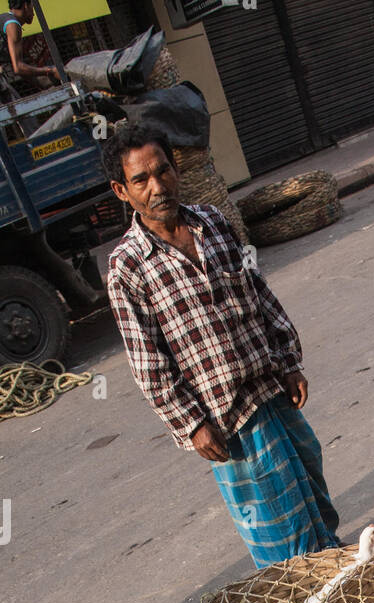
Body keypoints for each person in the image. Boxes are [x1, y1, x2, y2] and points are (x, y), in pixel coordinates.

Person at [101, 122, 340, 569]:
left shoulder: (212, 223)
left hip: (272, 389)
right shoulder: (127, 267)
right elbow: (148, 363)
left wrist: (289, 361)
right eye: (141, 179)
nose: (157, 186)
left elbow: (259, 294)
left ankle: (340, 569)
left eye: (163, 171)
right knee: (279, 530)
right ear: (121, 190)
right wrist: (191, 425)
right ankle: (305, 600)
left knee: (313, 491)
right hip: (227, 418)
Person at [0, 1, 56, 113]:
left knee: (18, 109)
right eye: (32, 8)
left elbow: (22, 71)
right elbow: (18, 68)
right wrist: (49, 70)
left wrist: (47, 85)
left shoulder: (8, 21)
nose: (33, 13)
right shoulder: (12, 25)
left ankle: (33, 130)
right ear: (25, 5)